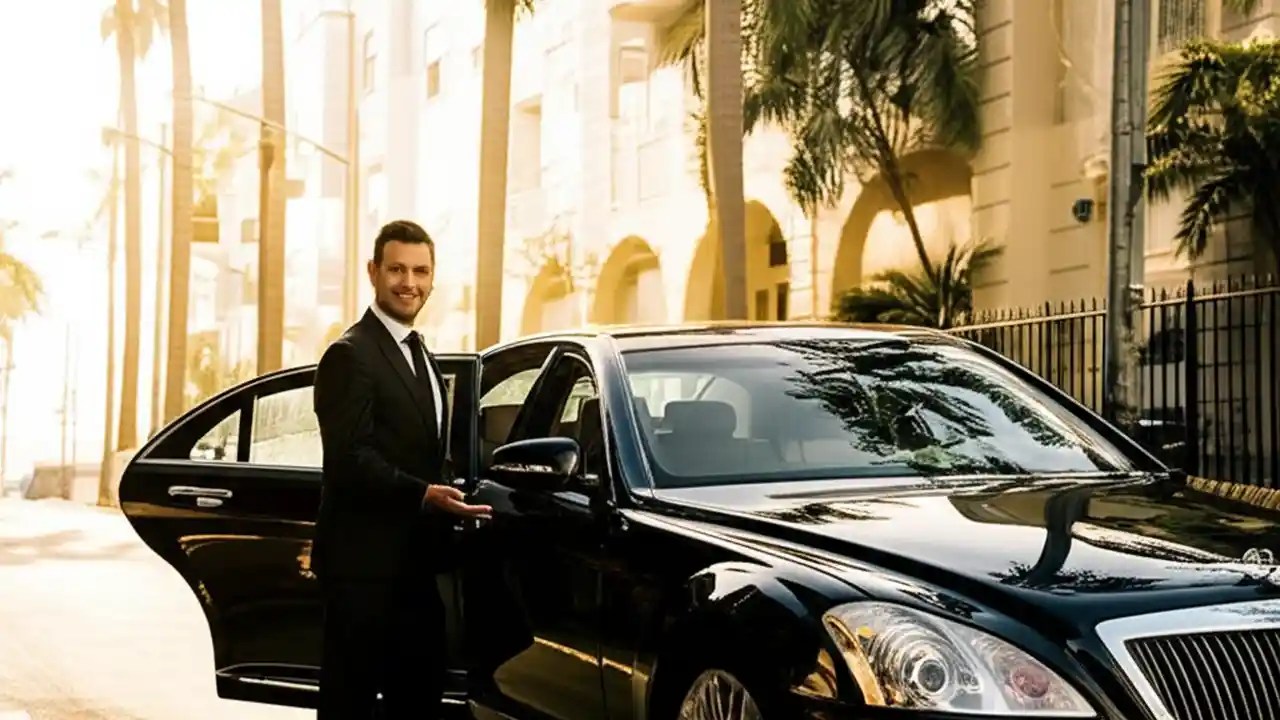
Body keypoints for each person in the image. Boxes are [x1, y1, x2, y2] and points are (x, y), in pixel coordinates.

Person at [312, 219, 492, 719]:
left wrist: (453, 491)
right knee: (349, 705)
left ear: (432, 277)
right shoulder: (349, 355)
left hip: (416, 569)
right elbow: (350, 460)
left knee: (418, 700)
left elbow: (427, 450)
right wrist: (423, 494)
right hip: (361, 570)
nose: (408, 282)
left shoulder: (420, 352)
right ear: (373, 272)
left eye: (420, 271)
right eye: (396, 270)